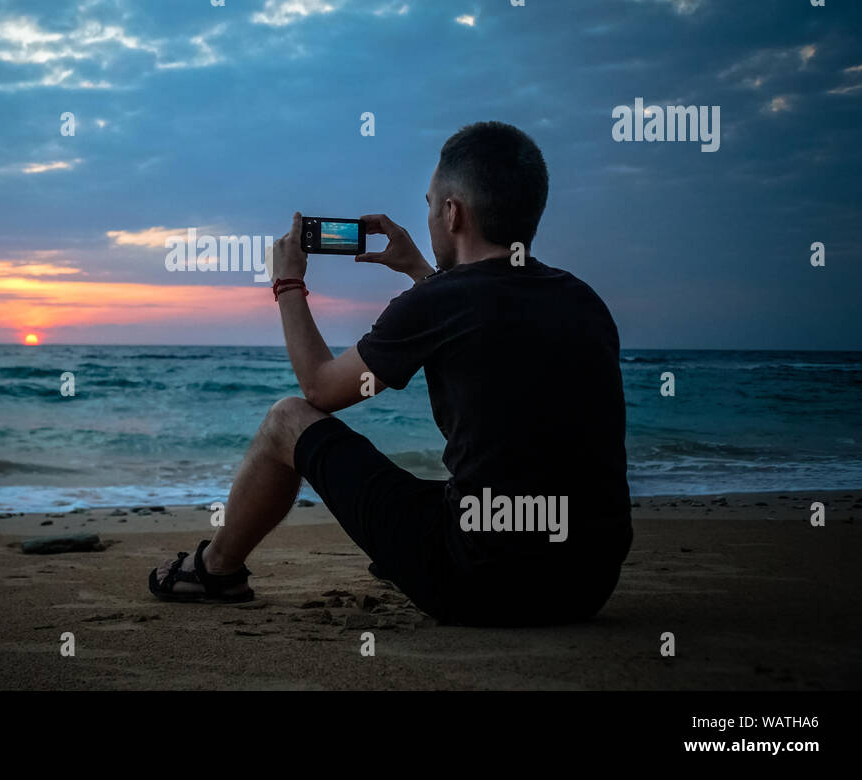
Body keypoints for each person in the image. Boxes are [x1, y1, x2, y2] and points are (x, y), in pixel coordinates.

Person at [149, 121, 632, 626]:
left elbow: (319, 387)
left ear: (452, 212)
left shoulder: (439, 302)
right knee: (451, 490)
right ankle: (407, 546)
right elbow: (480, 312)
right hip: (587, 581)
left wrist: (288, 282)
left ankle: (215, 569)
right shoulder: (582, 299)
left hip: (483, 583)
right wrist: (420, 270)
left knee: (287, 420)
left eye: (429, 204)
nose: (426, 216)